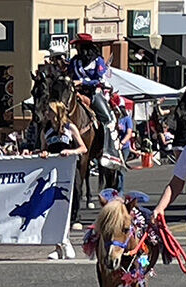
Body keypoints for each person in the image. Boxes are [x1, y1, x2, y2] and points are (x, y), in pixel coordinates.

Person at [39, 101, 86, 260]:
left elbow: (83, 148)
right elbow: (43, 148)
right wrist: (44, 153)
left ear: (57, 112)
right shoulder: (46, 130)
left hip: (70, 170)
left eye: (50, 110)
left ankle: (66, 240)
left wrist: (70, 152)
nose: (47, 113)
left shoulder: (70, 128)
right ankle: (59, 245)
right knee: (55, 207)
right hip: (53, 172)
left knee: (70, 202)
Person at [69, 33, 119, 161]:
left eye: (78, 46)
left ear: (84, 47)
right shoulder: (74, 61)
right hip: (77, 93)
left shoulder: (98, 61)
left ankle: (111, 151)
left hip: (94, 93)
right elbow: (69, 75)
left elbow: (100, 80)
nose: (76, 49)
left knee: (108, 119)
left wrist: (83, 82)